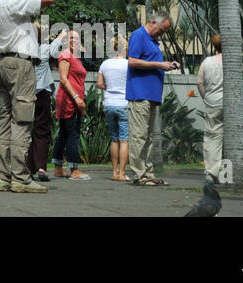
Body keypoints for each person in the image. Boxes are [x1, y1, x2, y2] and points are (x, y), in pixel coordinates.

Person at [0, 0, 58, 193]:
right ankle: (20, 177)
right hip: (21, 64)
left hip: (3, 62)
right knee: (22, 120)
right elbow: (48, 0)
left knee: (5, 120)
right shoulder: (11, 0)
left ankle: (3, 176)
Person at [197, 34, 243, 186]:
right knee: (241, 138)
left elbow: (200, 83)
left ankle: (211, 174)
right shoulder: (234, 60)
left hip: (214, 104)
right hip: (235, 104)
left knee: (212, 139)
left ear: (214, 46)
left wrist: (207, 98)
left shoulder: (207, 62)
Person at [126, 12, 179, 186]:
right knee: (139, 136)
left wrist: (168, 65)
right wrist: (159, 65)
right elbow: (132, 61)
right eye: (161, 30)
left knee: (149, 138)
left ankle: (148, 173)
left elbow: (150, 62)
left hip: (152, 96)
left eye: (163, 32)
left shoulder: (153, 42)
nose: (161, 34)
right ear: (153, 21)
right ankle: (139, 175)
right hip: (140, 95)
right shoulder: (138, 35)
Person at [30, 23, 68, 182]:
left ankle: (27, 166)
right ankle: (41, 167)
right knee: (42, 130)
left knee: (26, 130)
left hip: (26, 93)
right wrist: (61, 36)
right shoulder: (44, 48)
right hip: (42, 92)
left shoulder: (24, 50)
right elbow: (54, 51)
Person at [52, 30, 91, 180]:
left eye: (76, 38)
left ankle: (58, 169)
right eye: (71, 38)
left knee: (64, 134)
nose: (74, 40)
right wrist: (76, 98)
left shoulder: (75, 57)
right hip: (69, 101)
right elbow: (63, 79)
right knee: (73, 134)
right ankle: (74, 170)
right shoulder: (66, 55)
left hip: (74, 100)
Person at [96, 33, 130, 182]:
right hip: (123, 104)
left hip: (109, 103)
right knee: (124, 140)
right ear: (125, 48)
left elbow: (99, 84)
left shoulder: (105, 64)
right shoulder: (128, 64)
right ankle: (122, 173)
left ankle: (115, 172)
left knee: (114, 139)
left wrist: (108, 87)